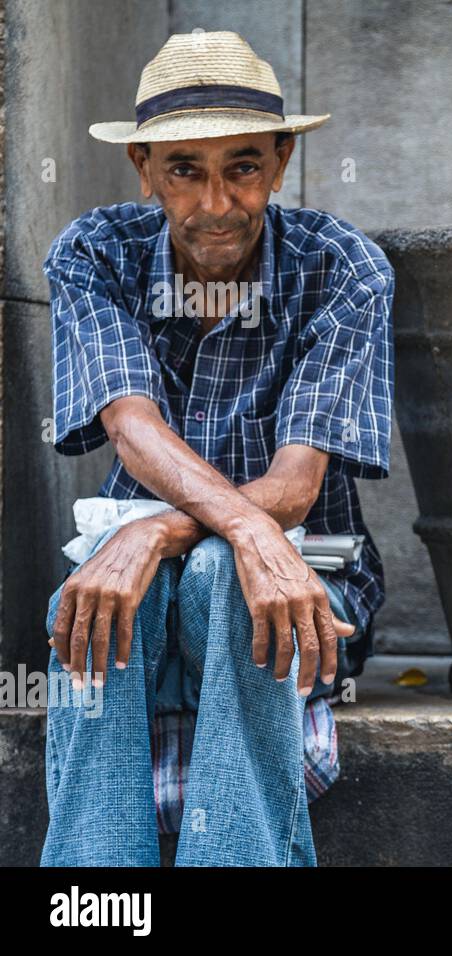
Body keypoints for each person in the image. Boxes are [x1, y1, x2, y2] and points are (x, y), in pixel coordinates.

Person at [40, 31, 394, 866]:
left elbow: (296, 486)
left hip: (309, 577)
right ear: (144, 169)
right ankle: (95, 898)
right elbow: (132, 425)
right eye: (184, 170)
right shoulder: (96, 253)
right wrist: (190, 537)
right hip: (143, 581)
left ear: (280, 161)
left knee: (218, 577)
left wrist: (154, 529)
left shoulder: (345, 269)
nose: (216, 204)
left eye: (242, 166)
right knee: (88, 606)